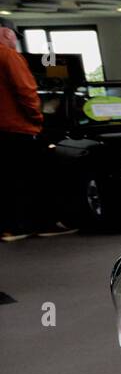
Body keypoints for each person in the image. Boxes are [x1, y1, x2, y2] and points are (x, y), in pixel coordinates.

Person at [0, 27, 44, 241]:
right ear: (7, 35)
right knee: (24, 179)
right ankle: (23, 226)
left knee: (6, 179)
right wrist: (37, 118)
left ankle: (7, 226)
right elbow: (26, 90)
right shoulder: (8, 55)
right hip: (16, 127)